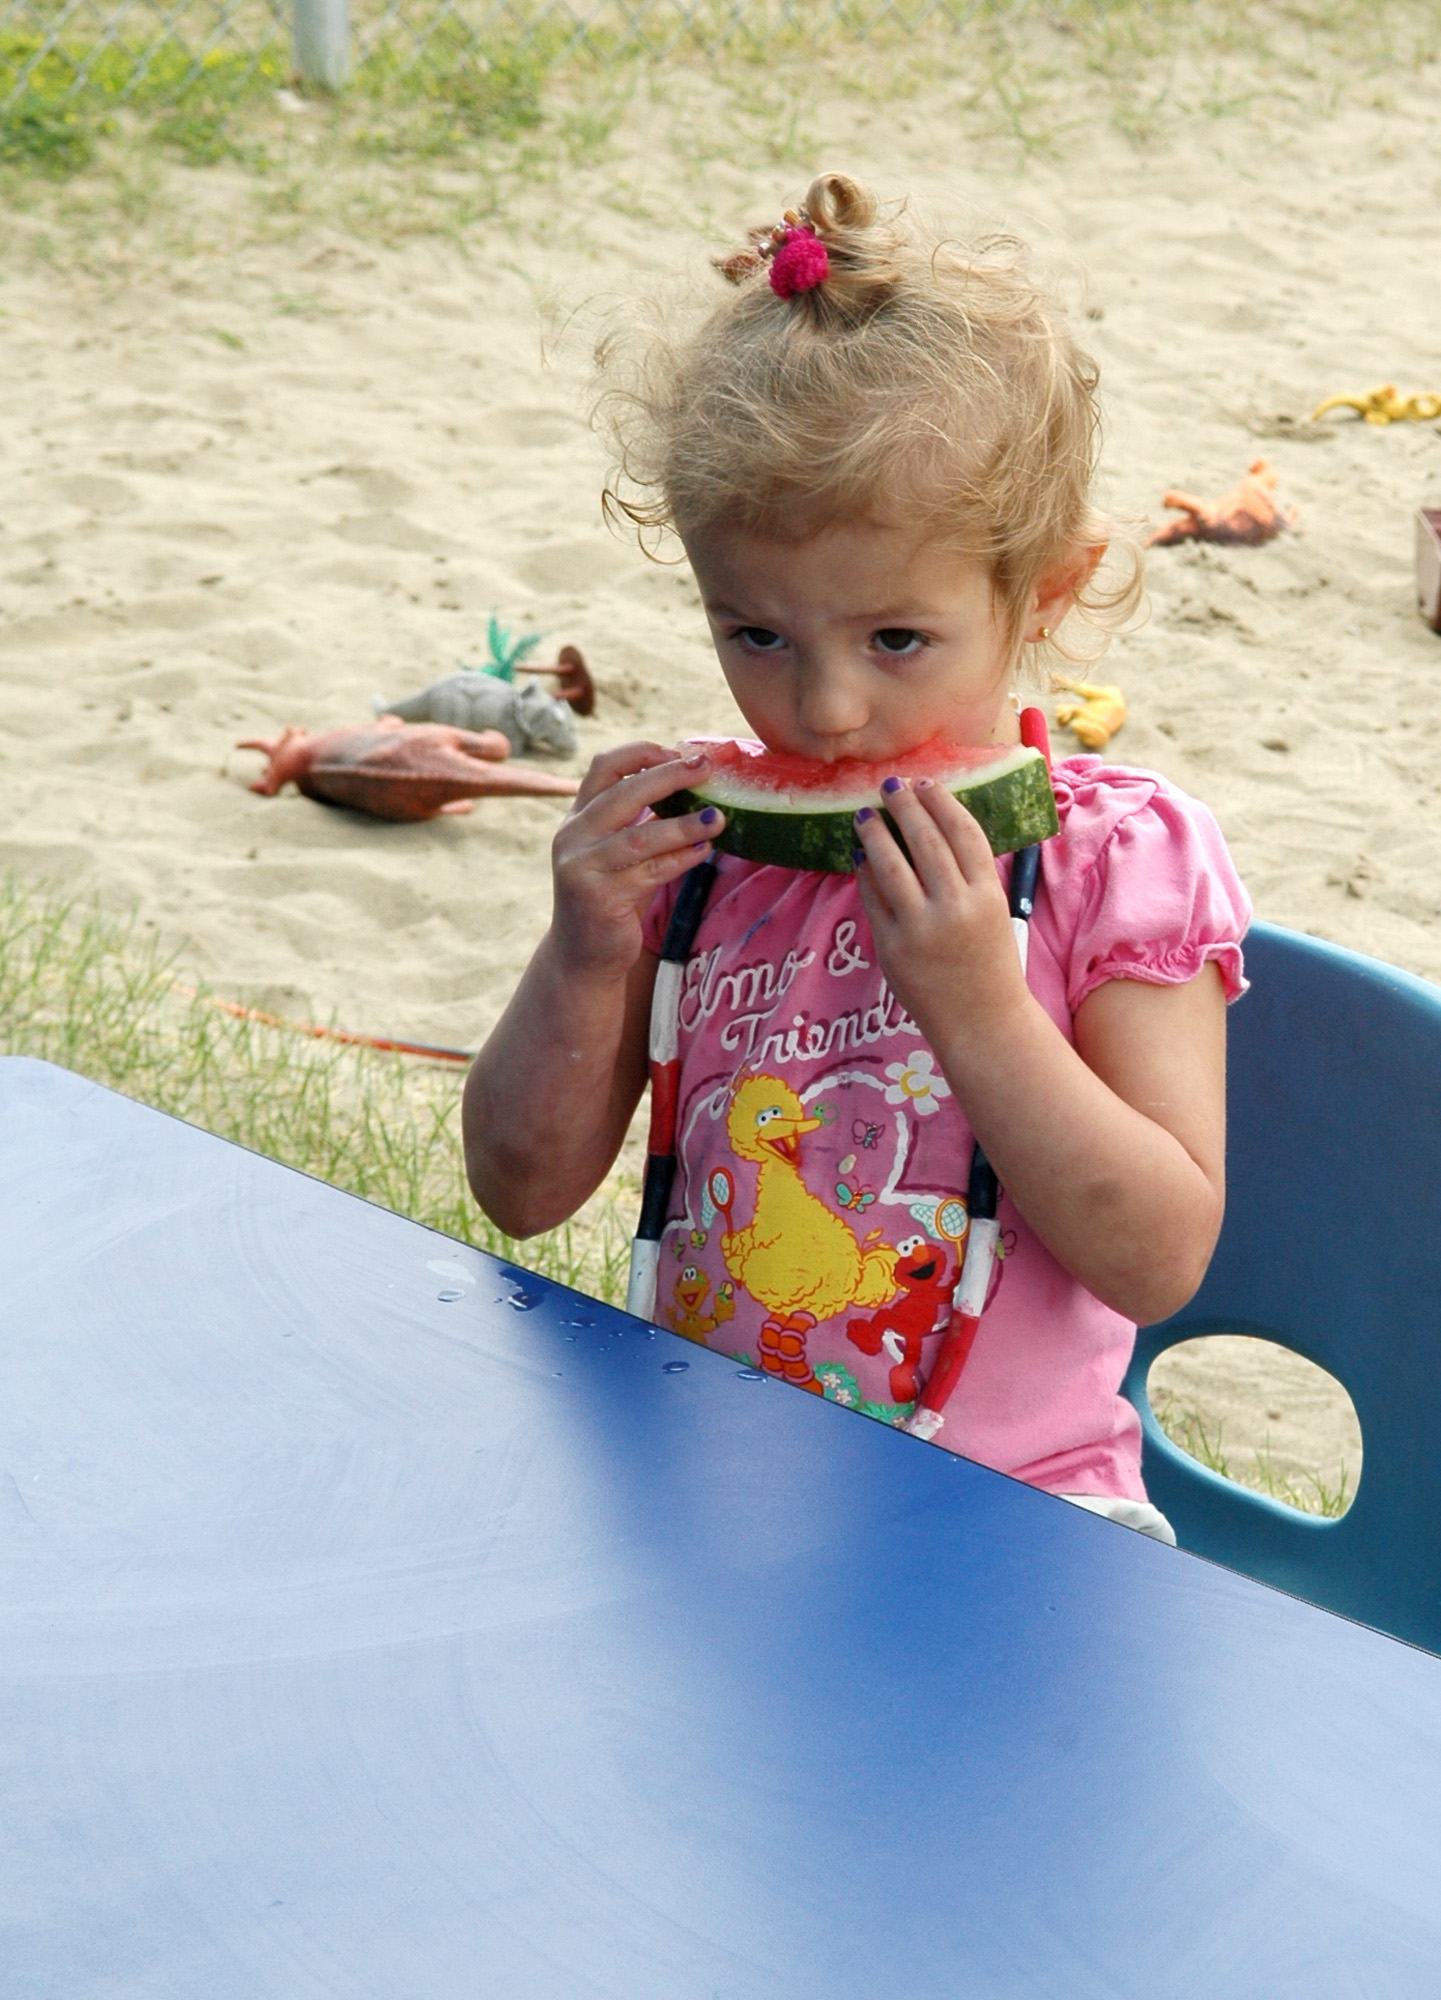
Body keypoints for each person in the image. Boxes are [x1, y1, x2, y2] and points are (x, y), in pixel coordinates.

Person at [464, 173, 1251, 1542]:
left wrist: (975, 1001)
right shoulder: (699, 852)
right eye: (755, 636)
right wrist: (585, 952)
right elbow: (520, 1195)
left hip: (1019, 1520)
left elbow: (1157, 1258)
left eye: (895, 640)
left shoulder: (1112, 860)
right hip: (696, 1477)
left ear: (1043, 592)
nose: (821, 711)